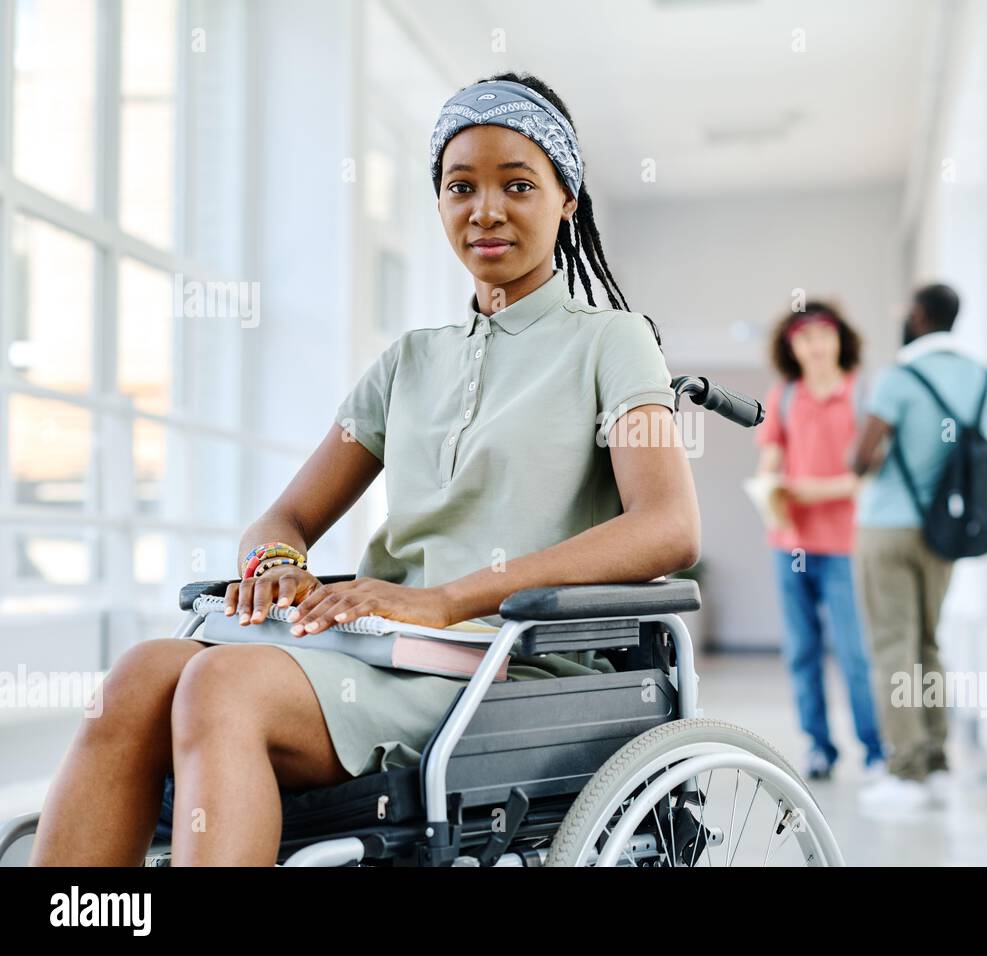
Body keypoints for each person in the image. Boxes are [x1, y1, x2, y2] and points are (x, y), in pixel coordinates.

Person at [29, 72, 700, 866]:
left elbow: (668, 527)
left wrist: (444, 600)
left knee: (221, 686)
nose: (486, 209)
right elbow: (285, 520)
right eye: (461, 187)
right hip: (379, 651)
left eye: (518, 185)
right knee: (139, 675)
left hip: (504, 667)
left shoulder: (611, 341)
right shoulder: (409, 362)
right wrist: (275, 565)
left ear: (567, 202)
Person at [852, 283, 987, 814]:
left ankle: (904, 772)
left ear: (917, 316)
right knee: (929, 644)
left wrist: (876, 454)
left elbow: (862, 458)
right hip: (944, 532)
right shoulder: (980, 376)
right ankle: (937, 762)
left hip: (887, 528)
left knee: (894, 646)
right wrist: (981, 450)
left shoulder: (898, 377)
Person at [754, 303, 886, 782]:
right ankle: (818, 747)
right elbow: (770, 459)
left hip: (845, 546)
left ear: (839, 340)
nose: (814, 345)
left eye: (823, 335)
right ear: (791, 347)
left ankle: (874, 750)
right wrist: (768, 485)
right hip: (789, 544)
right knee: (801, 650)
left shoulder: (863, 395)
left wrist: (811, 489)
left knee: (854, 652)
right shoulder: (785, 396)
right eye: (803, 337)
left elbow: (867, 478)